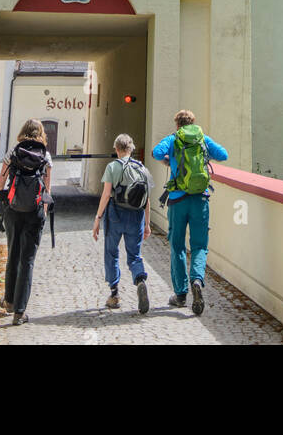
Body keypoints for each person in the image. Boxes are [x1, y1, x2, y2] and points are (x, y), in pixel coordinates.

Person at [152, 109, 228, 315]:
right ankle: (197, 279)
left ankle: (180, 294)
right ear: (193, 122)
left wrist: (169, 158)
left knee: (177, 246)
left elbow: (156, 153)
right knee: (199, 245)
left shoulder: (173, 138)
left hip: (177, 200)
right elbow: (224, 154)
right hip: (200, 199)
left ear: (177, 124)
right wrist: (203, 154)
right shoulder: (203, 139)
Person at [0, 118, 52, 325]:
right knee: (28, 260)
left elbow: (1, 179)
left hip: (13, 209)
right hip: (34, 211)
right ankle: (19, 312)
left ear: (22, 131)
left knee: (13, 254)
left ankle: (8, 301)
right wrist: (42, 212)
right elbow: (47, 189)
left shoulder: (14, 151)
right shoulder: (45, 155)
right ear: (41, 133)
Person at [92, 134, 153, 314]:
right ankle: (140, 280)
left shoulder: (112, 167)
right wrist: (147, 224)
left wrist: (98, 217)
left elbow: (106, 194)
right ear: (131, 148)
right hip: (136, 216)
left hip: (115, 215)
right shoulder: (142, 168)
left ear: (116, 149)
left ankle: (114, 293)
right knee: (134, 255)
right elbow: (147, 199)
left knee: (111, 252)